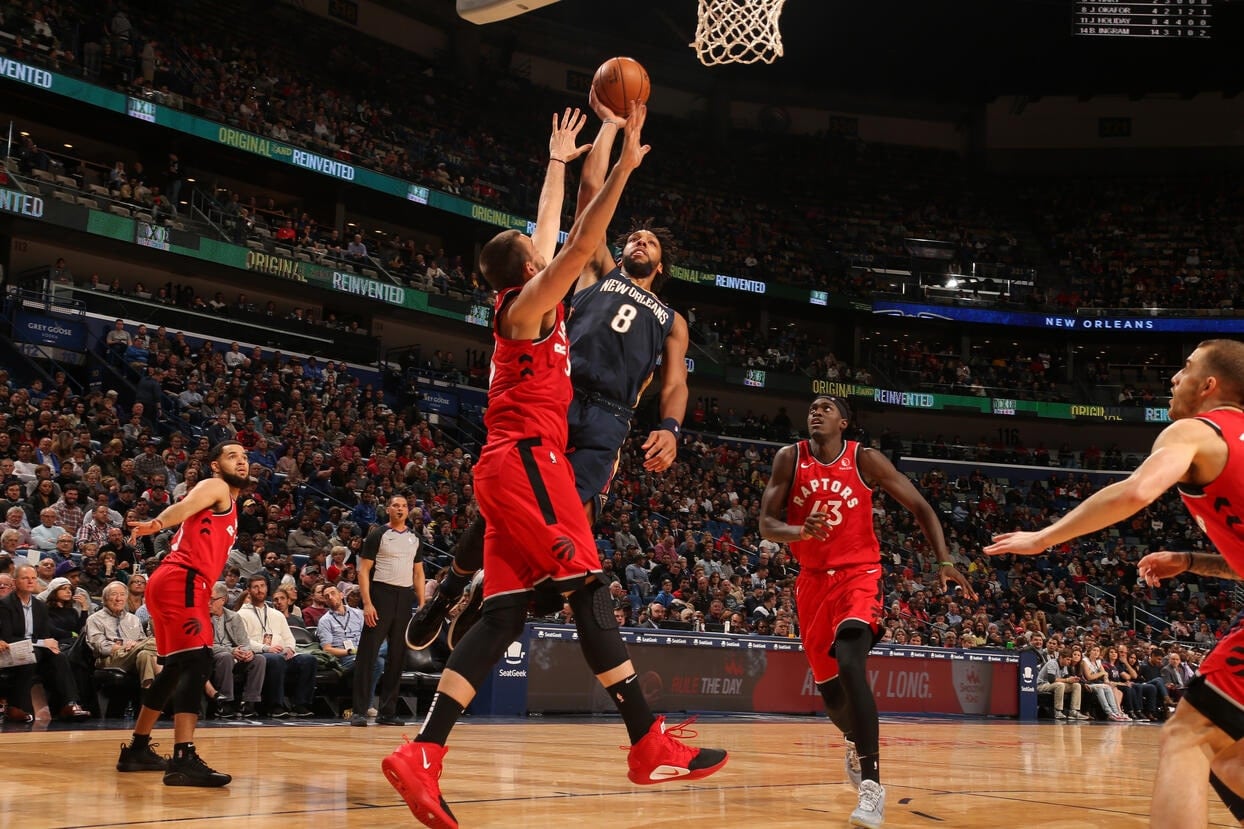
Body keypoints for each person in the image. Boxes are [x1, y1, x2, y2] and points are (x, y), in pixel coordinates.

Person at [382, 104, 725, 829]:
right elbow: (579, 239)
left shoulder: (534, 300)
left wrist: (557, 162)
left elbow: (550, 230)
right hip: (531, 463)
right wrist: (623, 165)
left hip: (524, 463)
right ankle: (646, 739)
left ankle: (423, 752)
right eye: (538, 253)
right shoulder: (530, 303)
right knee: (587, 583)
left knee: (505, 611)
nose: (546, 252)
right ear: (533, 270)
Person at [407, 95, 691, 652]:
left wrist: (672, 429)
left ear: (661, 265)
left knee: (571, 518)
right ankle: (451, 588)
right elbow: (589, 204)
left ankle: (489, 594)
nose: (637, 241)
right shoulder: (598, 270)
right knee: (514, 499)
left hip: (611, 414)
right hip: (557, 394)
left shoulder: (673, 319)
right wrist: (608, 130)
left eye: (649, 242)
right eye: (633, 235)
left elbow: (676, 383)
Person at [985, 339, 1244, 828]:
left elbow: (1138, 490)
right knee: (1230, 758)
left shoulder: (1196, 430)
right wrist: (1189, 560)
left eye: (1185, 368)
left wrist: (1044, 537)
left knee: (1187, 738)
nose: (1174, 378)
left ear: (1209, 385)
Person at [758, 395, 975, 829]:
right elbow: (766, 523)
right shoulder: (789, 458)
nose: (815, 411)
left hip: (859, 575)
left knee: (852, 663)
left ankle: (872, 786)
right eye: (811, 407)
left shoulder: (865, 459)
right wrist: (800, 530)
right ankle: (855, 741)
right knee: (832, 693)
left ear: (844, 421)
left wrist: (945, 561)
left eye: (825, 407)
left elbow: (921, 507)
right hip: (812, 582)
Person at [116, 440, 248, 787]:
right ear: (216, 465)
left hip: (176, 582)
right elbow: (185, 506)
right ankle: (183, 757)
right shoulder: (215, 485)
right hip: (182, 579)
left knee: (174, 669)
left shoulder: (232, 503)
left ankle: (137, 749)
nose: (242, 461)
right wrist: (155, 524)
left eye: (245, 456)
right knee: (197, 661)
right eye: (232, 456)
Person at [0, 564, 92, 723]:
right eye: (25, 578)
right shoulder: (5, 604)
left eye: (33, 578)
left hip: (36, 650)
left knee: (59, 656)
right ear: (15, 582)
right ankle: (16, 707)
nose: (30, 581)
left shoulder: (39, 606)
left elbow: (45, 635)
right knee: (32, 656)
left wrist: (48, 644)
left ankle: (69, 704)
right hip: (12, 649)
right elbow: (8, 638)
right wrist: (41, 642)